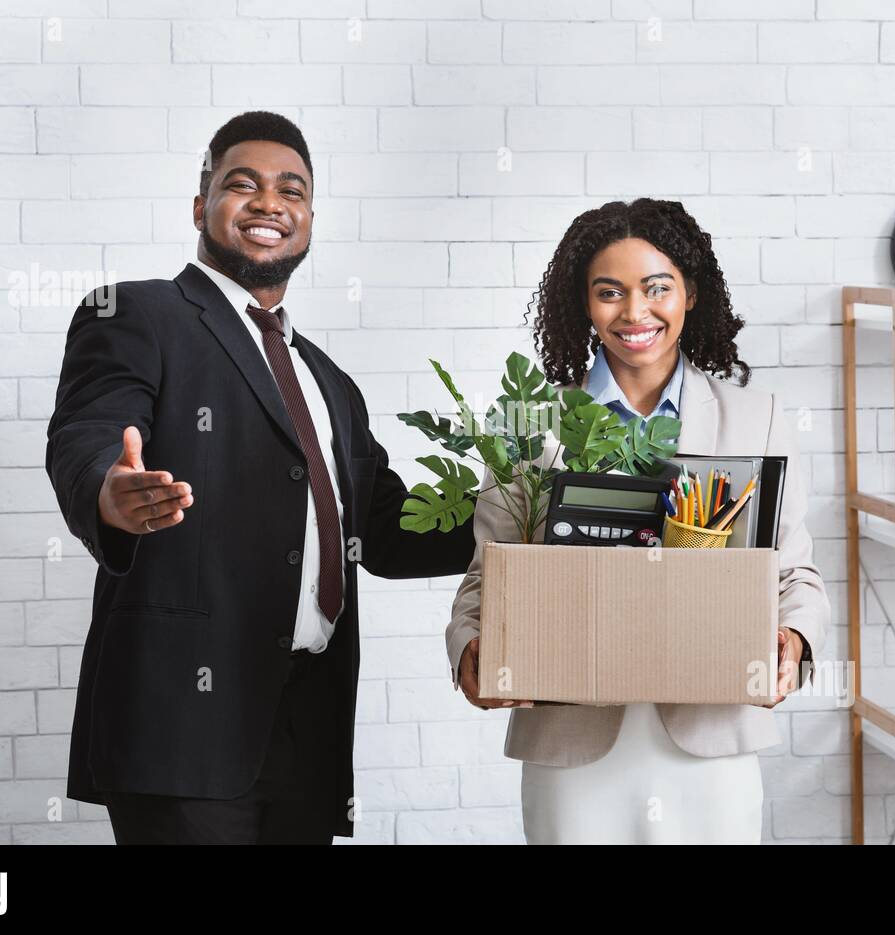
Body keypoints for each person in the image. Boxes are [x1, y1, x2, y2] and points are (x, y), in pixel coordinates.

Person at [46, 111, 475, 844]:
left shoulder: (329, 382)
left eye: (293, 190)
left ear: (309, 217)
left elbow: (393, 532)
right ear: (199, 206)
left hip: (307, 725)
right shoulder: (139, 313)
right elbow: (89, 434)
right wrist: (108, 493)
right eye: (241, 183)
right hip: (184, 723)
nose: (270, 202)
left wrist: (528, 519)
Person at [445, 198, 832, 844]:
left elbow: (795, 572)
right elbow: (485, 578)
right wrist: (469, 650)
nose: (635, 313)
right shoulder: (529, 427)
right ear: (583, 304)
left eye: (657, 289)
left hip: (710, 740)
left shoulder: (754, 418)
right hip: (572, 744)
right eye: (609, 292)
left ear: (691, 294)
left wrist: (793, 641)